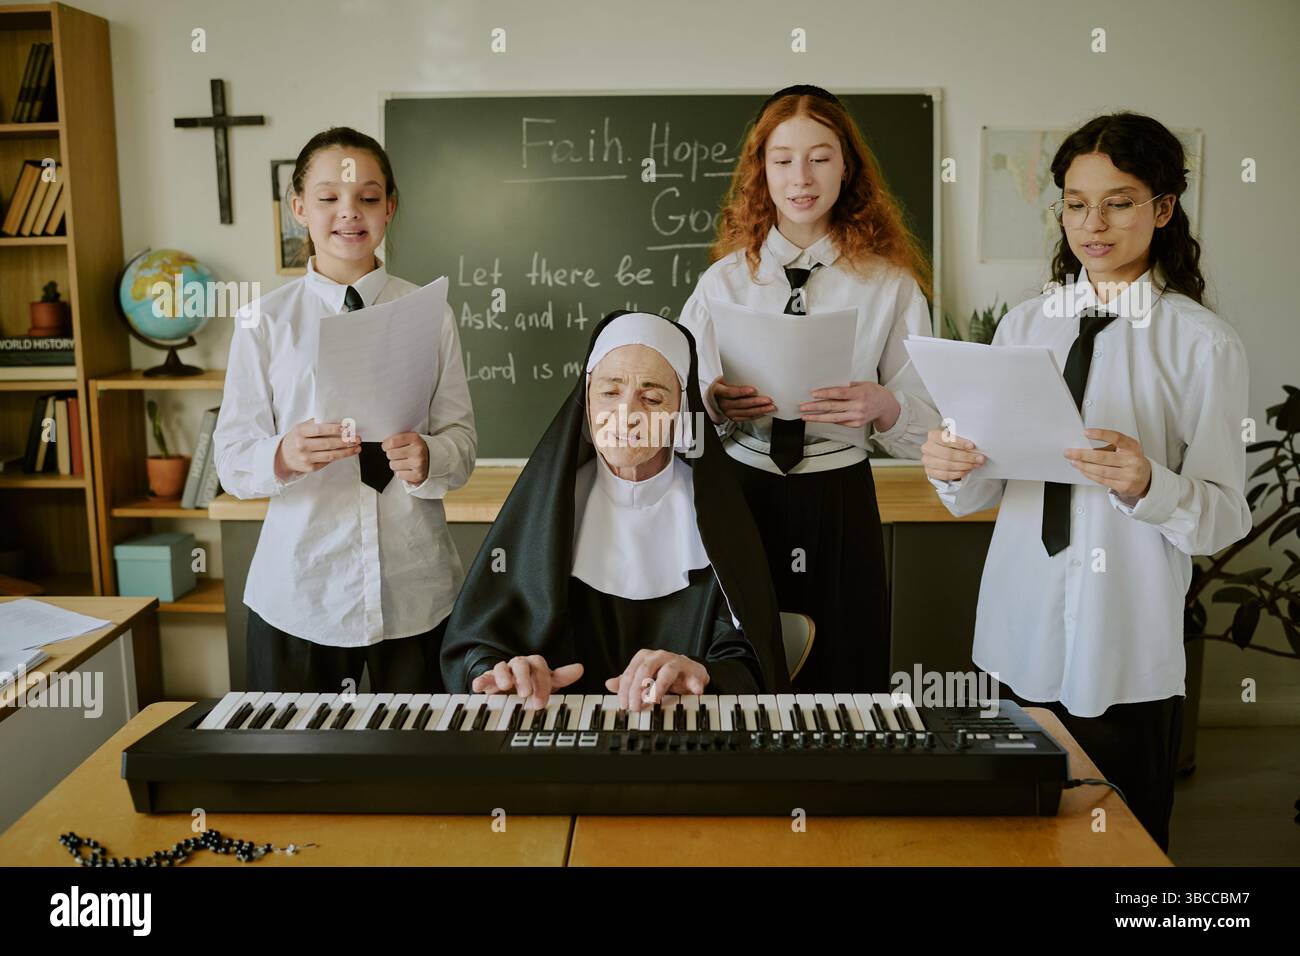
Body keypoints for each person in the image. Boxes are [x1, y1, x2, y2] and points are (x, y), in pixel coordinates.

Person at [921, 112, 1251, 852]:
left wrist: (1148, 484)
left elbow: (1227, 516)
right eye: (1075, 202)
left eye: (1119, 201)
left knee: (1120, 852)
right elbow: (984, 488)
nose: (1092, 223)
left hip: (1124, 646)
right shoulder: (1023, 327)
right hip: (1015, 632)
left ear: (1163, 209)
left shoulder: (1202, 345)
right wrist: (952, 468)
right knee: (1012, 843)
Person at [680, 84, 940, 691]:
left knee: (845, 670)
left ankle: (840, 787)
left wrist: (886, 407)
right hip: (740, 497)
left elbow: (930, 434)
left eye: (821, 157)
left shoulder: (890, 286)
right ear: (760, 171)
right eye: (783, 159)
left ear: (847, 167)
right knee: (741, 669)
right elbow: (678, 416)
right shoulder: (721, 283)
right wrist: (714, 405)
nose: (802, 176)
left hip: (840, 496)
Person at [213, 126, 476, 693]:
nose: (349, 213)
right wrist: (282, 454)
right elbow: (232, 461)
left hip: (415, 590)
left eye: (368, 197)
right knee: (295, 766)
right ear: (299, 208)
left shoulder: (431, 313)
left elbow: (462, 442)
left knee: (420, 763)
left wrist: (431, 456)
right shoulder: (264, 323)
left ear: (390, 209)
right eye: (329, 197)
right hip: (302, 592)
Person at [441, 311, 788, 708]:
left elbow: (750, 663)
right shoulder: (548, 509)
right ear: (586, 399)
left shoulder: (716, 518)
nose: (627, 414)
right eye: (610, 392)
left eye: (653, 397)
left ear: (681, 410)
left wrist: (702, 675)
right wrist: (503, 672)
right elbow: (476, 648)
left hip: (685, 737)